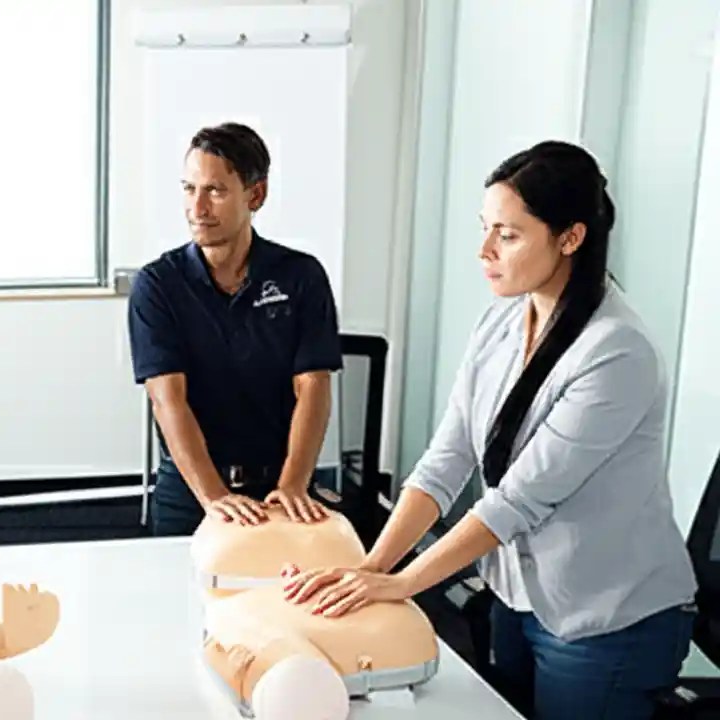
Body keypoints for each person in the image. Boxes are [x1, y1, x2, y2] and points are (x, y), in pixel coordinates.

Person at [282, 140, 698, 720]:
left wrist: (403, 584)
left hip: (603, 617)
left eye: (508, 234)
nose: (484, 251)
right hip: (515, 595)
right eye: (485, 229)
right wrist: (372, 566)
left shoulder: (617, 351)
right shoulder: (502, 320)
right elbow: (446, 460)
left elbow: (515, 502)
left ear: (570, 238)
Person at [127, 122, 344, 536]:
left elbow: (313, 386)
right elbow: (167, 400)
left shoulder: (301, 276)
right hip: (191, 492)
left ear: (255, 195)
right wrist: (215, 499)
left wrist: (293, 486)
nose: (198, 207)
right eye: (189, 189)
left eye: (215, 191)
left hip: (279, 488)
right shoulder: (157, 285)